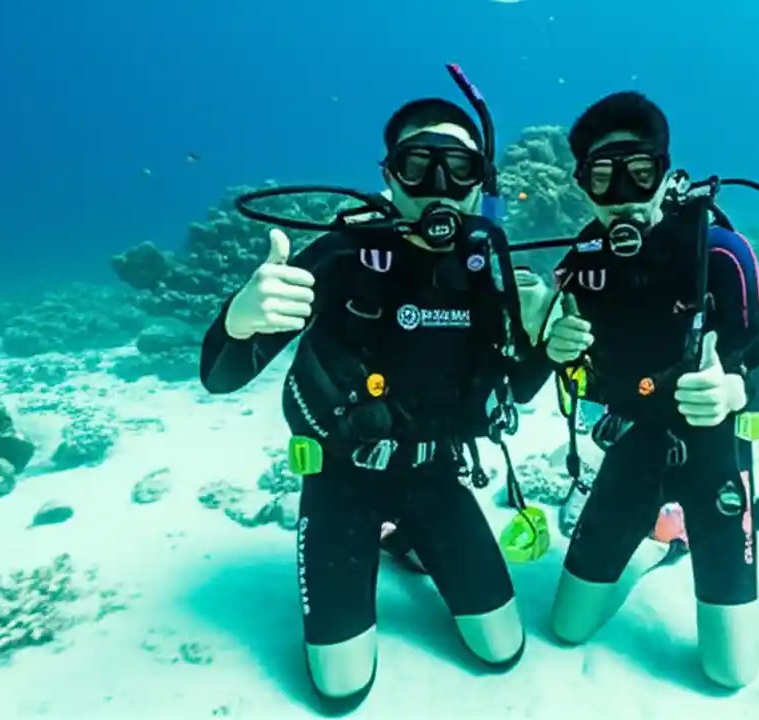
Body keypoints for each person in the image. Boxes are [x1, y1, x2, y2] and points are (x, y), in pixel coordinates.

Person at [200, 95, 546, 714]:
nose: (438, 186)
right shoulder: (344, 255)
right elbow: (219, 377)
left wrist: (541, 344)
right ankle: (377, 538)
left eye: (459, 168)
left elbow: (512, 391)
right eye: (419, 165)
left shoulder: (485, 258)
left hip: (436, 475)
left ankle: (406, 539)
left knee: (501, 647)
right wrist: (240, 319)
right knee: (341, 685)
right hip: (342, 480)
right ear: (388, 175)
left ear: (480, 183)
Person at [538, 91, 759, 689]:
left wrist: (736, 393)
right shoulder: (581, 266)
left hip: (715, 456)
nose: (623, 192)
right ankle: (659, 544)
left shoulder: (720, 254)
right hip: (633, 447)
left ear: (664, 173)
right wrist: (548, 345)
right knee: (568, 628)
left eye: (640, 172)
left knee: (728, 672)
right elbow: (536, 369)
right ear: (582, 186)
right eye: (602, 178)